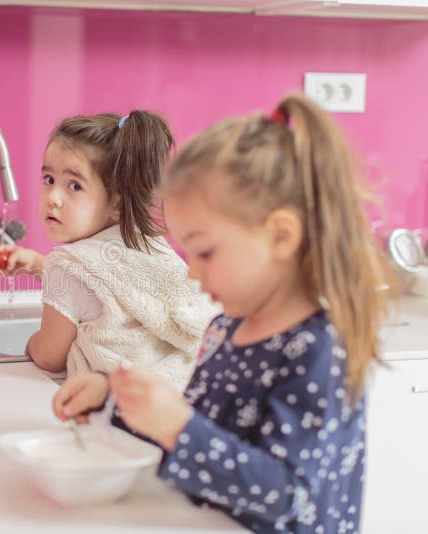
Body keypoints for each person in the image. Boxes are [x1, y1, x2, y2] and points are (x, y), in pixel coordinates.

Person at [52, 94, 391, 533]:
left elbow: (287, 494)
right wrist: (116, 402)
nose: (191, 270)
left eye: (206, 250)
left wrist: (177, 425)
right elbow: (205, 445)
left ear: (280, 236)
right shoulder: (224, 329)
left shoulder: (319, 351)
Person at [0, 111, 218, 389]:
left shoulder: (68, 265)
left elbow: (50, 356)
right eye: (49, 180)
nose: (54, 198)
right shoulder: (146, 242)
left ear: (116, 205)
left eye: (74, 185)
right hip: (176, 390)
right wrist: (39, 264)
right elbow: (99, 285)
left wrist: (29, 344)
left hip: (117, 401)